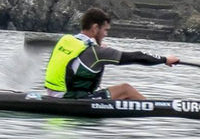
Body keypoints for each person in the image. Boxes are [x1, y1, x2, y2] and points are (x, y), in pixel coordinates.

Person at [44, 7, 181, 100]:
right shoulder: (96, 52)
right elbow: (136, 56)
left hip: (53, 95)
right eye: (105, 30)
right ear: (95, 28)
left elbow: (77, 59)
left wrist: (96, 45)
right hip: (72, 99)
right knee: (126, 90)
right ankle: (155, 112)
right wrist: (165, 59)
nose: (106, 34)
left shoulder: (66, 40)